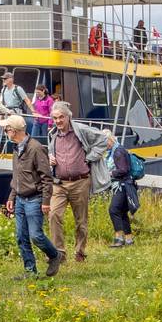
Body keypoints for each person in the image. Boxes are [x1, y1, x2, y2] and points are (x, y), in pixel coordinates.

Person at [47, 101, 110, 263]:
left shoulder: (80, 130)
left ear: (68, 116)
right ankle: (59, 253)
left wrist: (89, 158)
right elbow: (50, 152)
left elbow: (104, 139)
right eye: (55, 118)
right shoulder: (52, 135)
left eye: (61, 117)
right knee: (54, 215)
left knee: (81, 220)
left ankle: (80, 252)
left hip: (80, 182)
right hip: (59, 183)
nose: (58, 121)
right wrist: (50, 158)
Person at [1, 115, 62, 278]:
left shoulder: (36, 148)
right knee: (21, 237)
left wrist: (46, 201)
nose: (5, 132)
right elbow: (17, 176)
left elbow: (46, 177)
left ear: (14, 131)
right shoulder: (16, 148)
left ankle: (55, 255)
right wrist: (12, 196)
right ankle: (30, 271)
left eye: (6, 129)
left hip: (35, 198)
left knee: (36, 235)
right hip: (20, 198)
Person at [104, 130, 137, 247]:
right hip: (124, 184)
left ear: (109, 140)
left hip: (122, 185)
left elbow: (123, 170)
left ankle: (119, 238)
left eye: (103, 143)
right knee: (122, 212)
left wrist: (110, 173)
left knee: (113, 210)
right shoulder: (116, 150)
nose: (103, 146)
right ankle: (129, 239)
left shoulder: (118, 152)